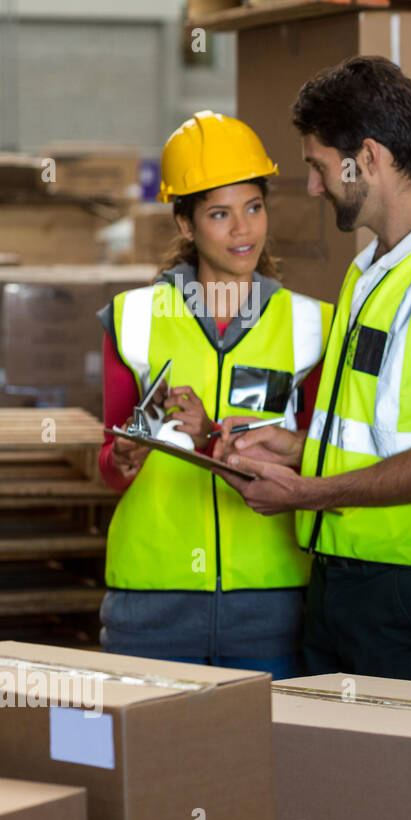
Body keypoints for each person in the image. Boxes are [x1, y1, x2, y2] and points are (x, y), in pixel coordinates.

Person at [217, 56, 411, 686]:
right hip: (341, 578)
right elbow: (379, 434)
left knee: (407, 783)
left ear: (369, 158)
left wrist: (308, 493)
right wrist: (302, 451)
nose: (315, 187)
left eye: (319, 167)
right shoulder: (368, 273)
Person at [98, 110, 333, 678]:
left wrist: (211, 436)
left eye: (254, 208)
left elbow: (321, 456)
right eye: (220, 214)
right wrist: (123, 456)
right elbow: (108, 462)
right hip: (151, 596)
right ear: (186, 224)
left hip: (271, 594)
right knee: (148, 761)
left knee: (264, 761)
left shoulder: (311, 326)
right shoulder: (132, 320)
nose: (242, 230)